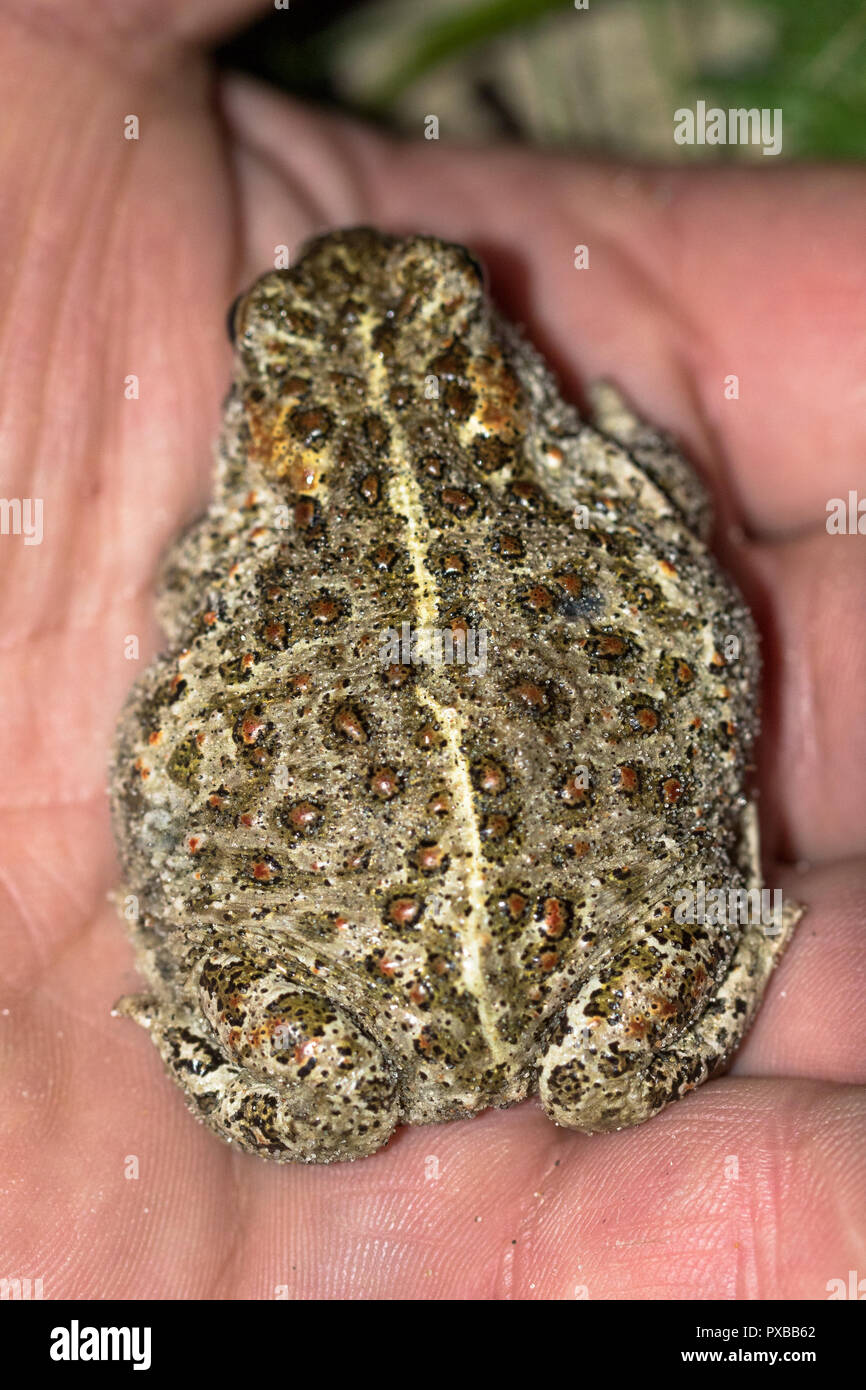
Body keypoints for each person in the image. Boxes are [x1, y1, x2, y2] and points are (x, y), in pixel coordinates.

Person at [1, 0, 864, 1299]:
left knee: (312, 1082)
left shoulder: (246, 540)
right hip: (600, 984)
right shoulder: (571, 479)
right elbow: (667, 515)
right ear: (499, 377)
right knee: (646, 992)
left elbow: (190, 598)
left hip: (340, 1026)